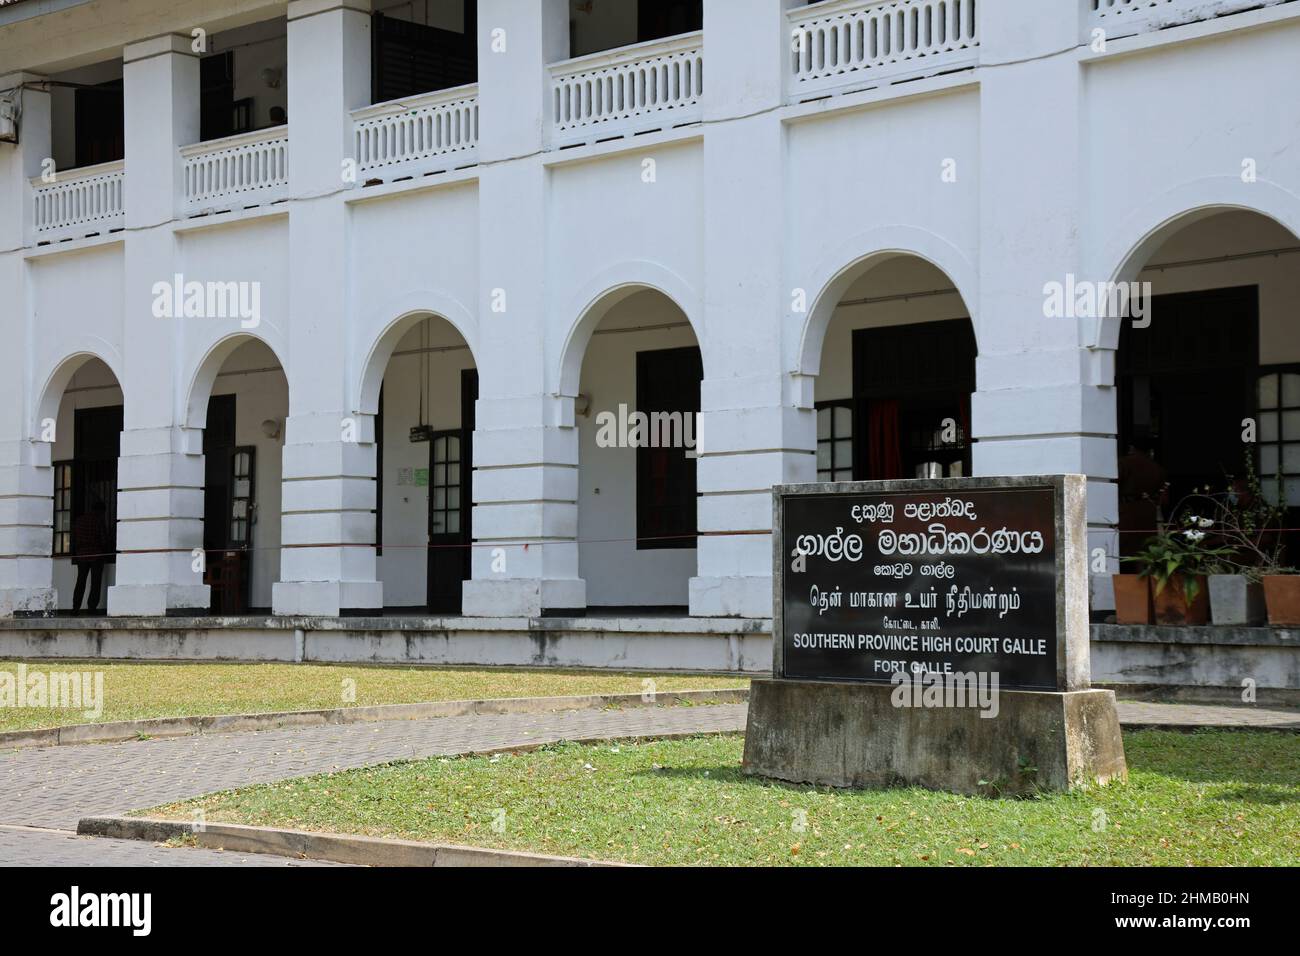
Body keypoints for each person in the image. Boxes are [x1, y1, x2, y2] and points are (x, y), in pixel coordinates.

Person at [1118, 440, 1167, 557]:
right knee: (1145, 547)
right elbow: (1162, 493)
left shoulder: (1124, 462)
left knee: (1125, 546)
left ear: (1132, 448)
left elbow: (1115, 484)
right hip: (1148, 510)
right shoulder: (1156, 467)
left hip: (1127, 509)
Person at [71, 498, 110, 613]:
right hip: (96, 555)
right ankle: (91, 607)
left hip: (81, 555)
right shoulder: (99, 521)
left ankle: (75, 607)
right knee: (95, 582)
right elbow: (103, 539)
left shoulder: (79, 520)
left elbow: (74, 539)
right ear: (101, 511)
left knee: (80, 582)